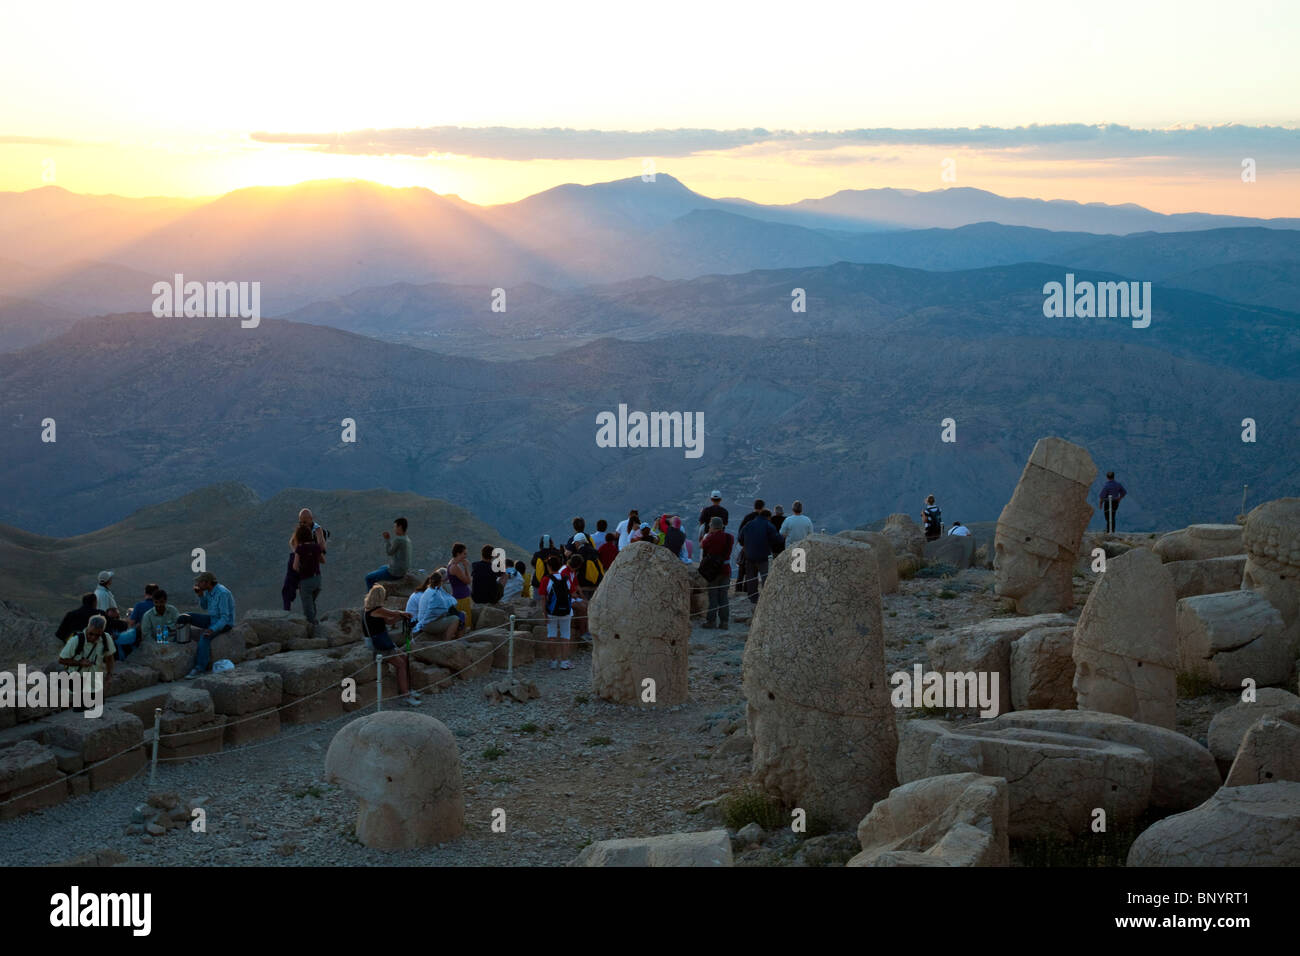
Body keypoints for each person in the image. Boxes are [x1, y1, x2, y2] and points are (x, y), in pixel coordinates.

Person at [362, 585, 421, 706]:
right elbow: (392, 613)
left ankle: (406, 689)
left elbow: (388, 621)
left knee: (404, 657)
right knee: (401, 665)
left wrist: (401, 617)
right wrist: (402, 613)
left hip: (384, 642)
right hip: (380, 646)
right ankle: (405, 695)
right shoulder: (377, 610)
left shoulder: (370, 611)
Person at [180, 572, 235, 680]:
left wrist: (212, 629)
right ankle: (182, 640)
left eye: (200, 582)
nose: (198, 584)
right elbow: (205, 607)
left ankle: (200, 668)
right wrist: (200, 595)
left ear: (207, 582)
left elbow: (225, 617)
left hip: (224, 623)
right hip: (212, 619)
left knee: (205, 637)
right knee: (185, 617)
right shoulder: (209, 592)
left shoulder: (222, 593)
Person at [58, 614, 115, 694]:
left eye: (97, 635)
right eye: (91, 634)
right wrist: (79, 663)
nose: (93, 637)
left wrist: (109, 675)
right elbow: (61, 660)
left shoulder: (106, 638)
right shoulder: (76, 640)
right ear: (88, 627)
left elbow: (109, 658)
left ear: (102, 631)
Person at [538, 554, 577, 670]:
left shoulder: (546, 579)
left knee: (552, 636)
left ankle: (553, 661)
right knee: (566, 636)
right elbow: (572, 593)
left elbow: (543, 598)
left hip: (552, 612)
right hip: (566, 611)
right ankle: (565, 662)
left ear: (549, 566)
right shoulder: (566, 578)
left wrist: (544, 614)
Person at [737, 508, 783, 604]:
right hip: (763, 557)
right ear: (768, 517)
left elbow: (740, 538)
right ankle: (766, 599)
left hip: (749, 556)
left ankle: (753, 599)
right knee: (765, 578)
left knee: (751, 578)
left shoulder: (748, 524)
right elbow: (778, 539)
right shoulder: (768, 525)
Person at [700, 516, 735, 629]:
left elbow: (703, 546)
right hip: (726, 569)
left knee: (713, 597)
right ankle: (724, 622)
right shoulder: (729, 537)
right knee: (723, 597)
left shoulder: (710, 538)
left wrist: (708, 534)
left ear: (713, 526)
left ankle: (711, 621)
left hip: (713, 571)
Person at [115, 583, 159, 661]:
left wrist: (129, 616)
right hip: (158, 636)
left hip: (142, 637)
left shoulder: (139, 605)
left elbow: (131, 623)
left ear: (145, 593)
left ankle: (122, 660)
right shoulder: (161, 607)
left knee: (117, 639)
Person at [366, 517, 412, 590]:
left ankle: (372, 598)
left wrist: (387, 539)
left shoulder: (398, 540)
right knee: (382, 567)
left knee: (368, 577)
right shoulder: (407, 538)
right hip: (403, 570)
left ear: (399, 527)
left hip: (395, 572)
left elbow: (389, 552)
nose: (394, 529)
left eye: (395, 526)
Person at [291, 524, 324, 625]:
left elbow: (295, 567)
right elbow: (322, 560)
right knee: (311, 603)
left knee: (307, 607)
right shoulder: (316, 547)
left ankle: (312, 628)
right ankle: (315, 622)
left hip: (306, 581)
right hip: (317, 579)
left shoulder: (300, 549)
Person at [415, 571, 463, 639]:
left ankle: (455, 638)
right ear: (440, 582)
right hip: (427, 624)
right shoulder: (435, 594)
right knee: (456, 618)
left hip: (424, 621)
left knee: (457, 614)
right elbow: (448, 605)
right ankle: (447, 641)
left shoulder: (429, 590)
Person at [446, 542, 474, 629]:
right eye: (464, 553)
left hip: (458, 595)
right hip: (462, 597)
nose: (465, 556)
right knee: (465, 622)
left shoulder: (451, 563)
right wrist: (466, 567)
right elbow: (468, 581)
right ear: (458, 553)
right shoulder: (455, 567)